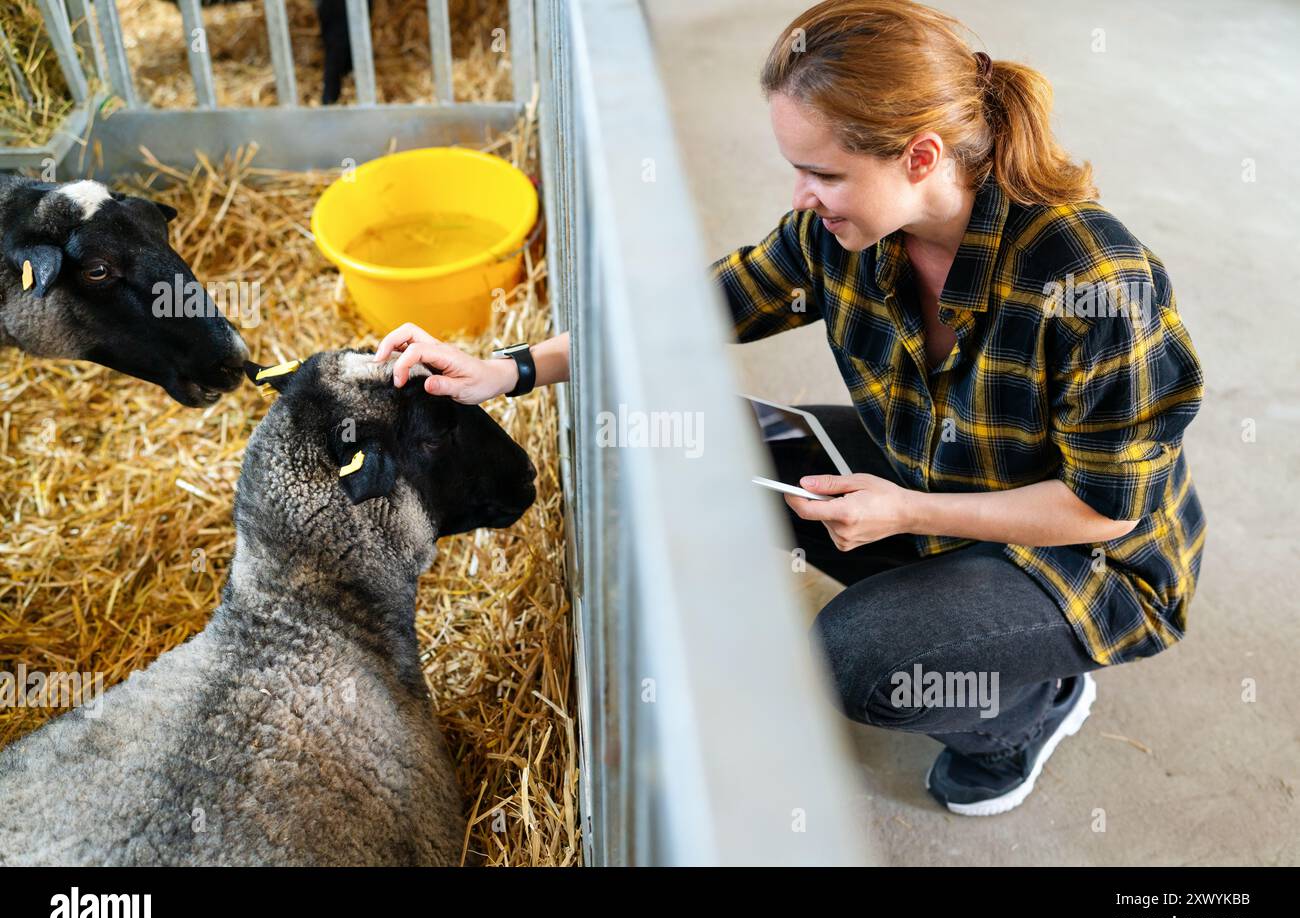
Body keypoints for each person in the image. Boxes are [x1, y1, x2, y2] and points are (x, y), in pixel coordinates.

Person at [373, 0, 1208, 817]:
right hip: (934, 465)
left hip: (1085, 558)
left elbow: (1102, 510)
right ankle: (940, 588)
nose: (804, 196)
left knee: (854, 661)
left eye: (825, 173)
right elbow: (694, 309)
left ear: (920, 156)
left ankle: (1032, 709)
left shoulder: (1097, 283)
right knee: (696, 439)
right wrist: (508, 369)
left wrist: (905, 509)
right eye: (798, 171)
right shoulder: (843, 232)